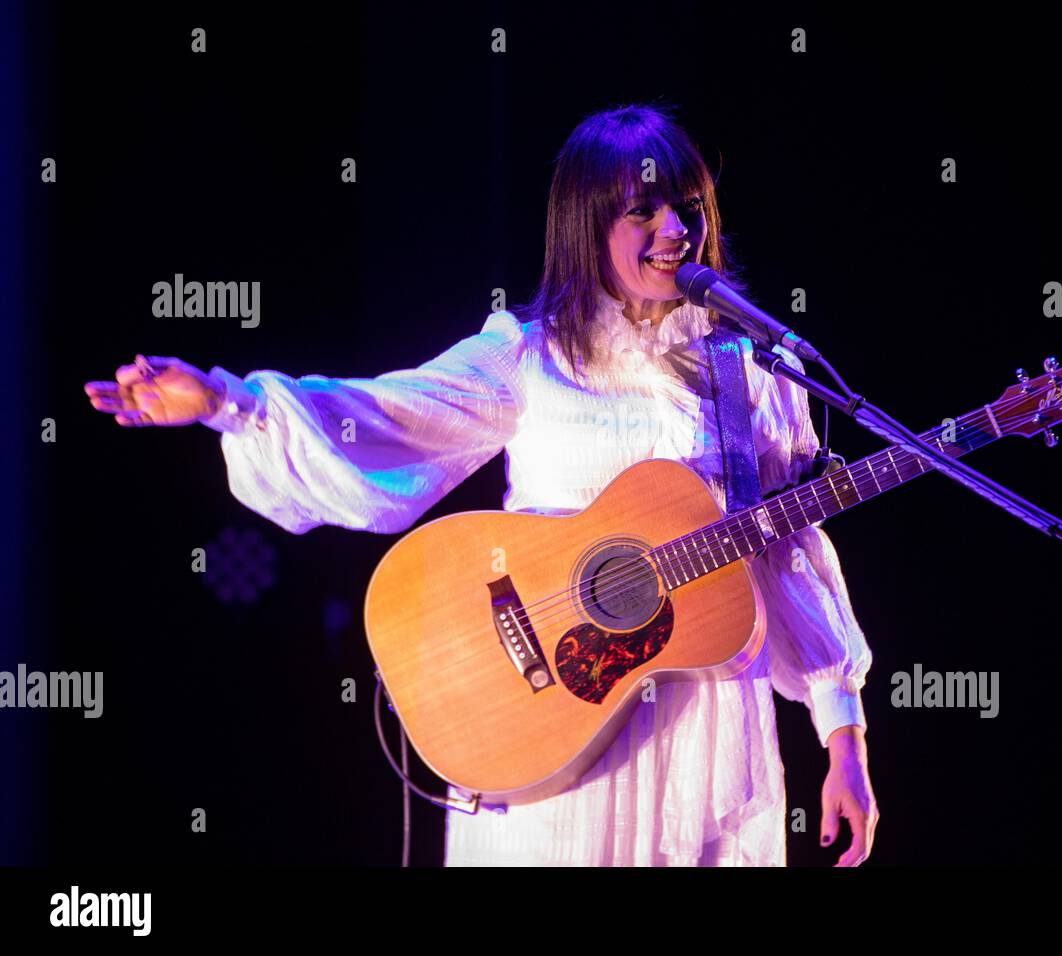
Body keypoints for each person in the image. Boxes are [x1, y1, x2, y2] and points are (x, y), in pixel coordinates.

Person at [84, 103, 879, 866]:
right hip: (547, 726)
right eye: (645, 211)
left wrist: (844, 739)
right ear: (588, 225)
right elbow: (386, 418)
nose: (676, 231)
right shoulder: (531, 359)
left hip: (707, 742)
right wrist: (229, 401)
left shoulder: (753, 374)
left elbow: (789, 550)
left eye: (688, 208)